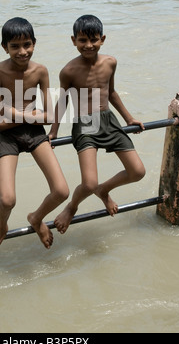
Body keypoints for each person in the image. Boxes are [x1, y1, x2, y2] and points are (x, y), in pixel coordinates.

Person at [49, 14, 146, 234]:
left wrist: (129, 119)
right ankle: (72, 207)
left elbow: (111, 92)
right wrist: (53, 131)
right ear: (73, 41)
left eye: (93, 40)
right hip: (85, 124)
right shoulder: (69, 71)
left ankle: (105, 190)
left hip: (108, 120)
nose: (89, 45)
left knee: (137, 171)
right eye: (82, 40)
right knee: (88, 183)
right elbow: (62, 101)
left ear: (102, 39)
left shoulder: (110, 62)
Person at [0, 17, 69, 260]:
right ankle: (2, 227)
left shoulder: (40, 71)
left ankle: (36, 217)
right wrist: (28, 114)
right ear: (4, 47)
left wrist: (13, 113)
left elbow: (49, 115)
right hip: (6, 136)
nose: (22, 52)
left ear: (34, 43)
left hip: (34, 135)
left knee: (62, 191)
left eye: (27, 44)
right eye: (15, 46)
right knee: (7, 199)